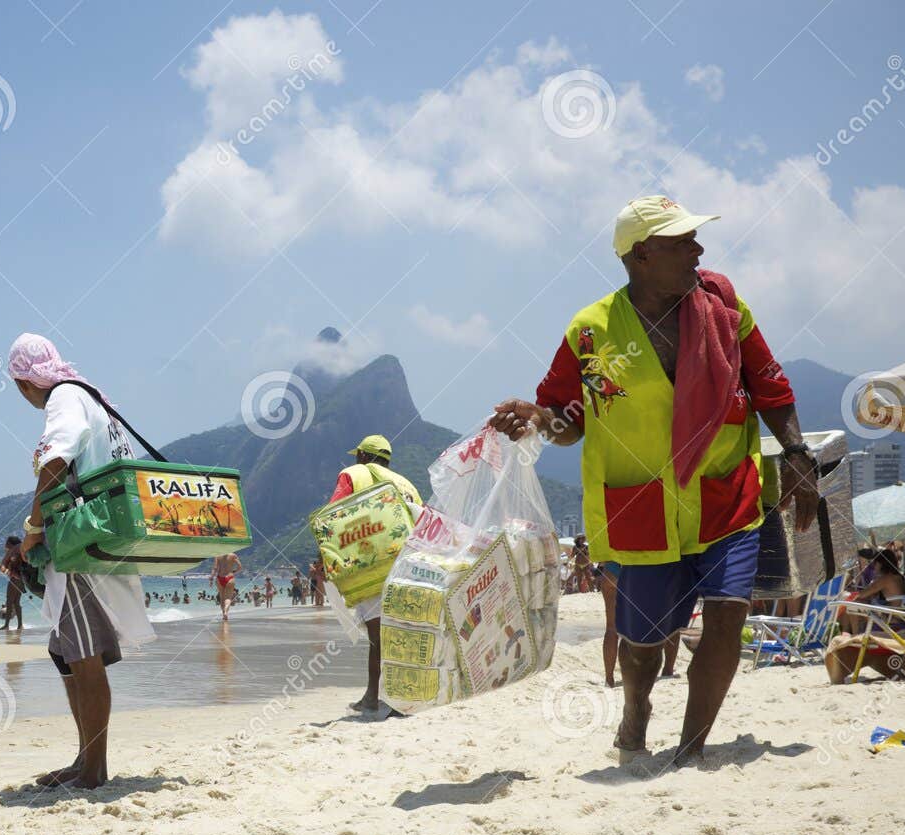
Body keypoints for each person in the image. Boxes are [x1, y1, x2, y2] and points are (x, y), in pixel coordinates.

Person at [490, 196, 818, 764]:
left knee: (726, 615)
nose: (698, 249)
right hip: (641, 509)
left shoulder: (726, 309)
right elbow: (567, 422)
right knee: (640, 646)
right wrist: (534, 418)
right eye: (680, 241)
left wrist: (796, 453)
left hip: (725, 495)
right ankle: (636, 709)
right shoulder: (591, 333)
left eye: (695, 238)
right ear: (642, 255)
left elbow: (770, 385)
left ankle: (690, 749)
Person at [10, 333, 154, 790]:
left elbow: (56, 458)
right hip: (100, 538)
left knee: (84, 657)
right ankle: (84, 759)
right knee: (66, 653)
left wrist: (33, 528)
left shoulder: (64, 398)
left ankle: (94, 771)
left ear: (23, 382)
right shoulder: (92, 398)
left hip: (83, 546)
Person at [328, 436, 424, 714]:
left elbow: (334, 512)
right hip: (409, 564)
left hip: (373, 564)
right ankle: (401, 698)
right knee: (403, 631)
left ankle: (374, 697)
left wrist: (329, 559)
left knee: (377, 635)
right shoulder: (408, 485)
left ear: (361, 456)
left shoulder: (354, 474)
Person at [0, 535, 25, 631]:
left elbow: (5, 566)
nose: (5, 544)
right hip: (21, 579)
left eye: (6, 542)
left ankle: (7, 625)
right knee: (17, 602)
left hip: (14, 579)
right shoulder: (20, 549)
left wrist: (2, 568)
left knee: (9, 602)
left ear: (10, 543)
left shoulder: (13, 552)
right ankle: (20, 625)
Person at [211, 553, 242, 621]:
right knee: (228, 598)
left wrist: (211, 578)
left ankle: (223, 614)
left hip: (219, 578)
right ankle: (226, 612)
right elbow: (240, 567)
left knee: (222, 597)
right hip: (229, 577)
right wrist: (234, 571)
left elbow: (215, 568)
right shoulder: (233, 555)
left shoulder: (218, 556)